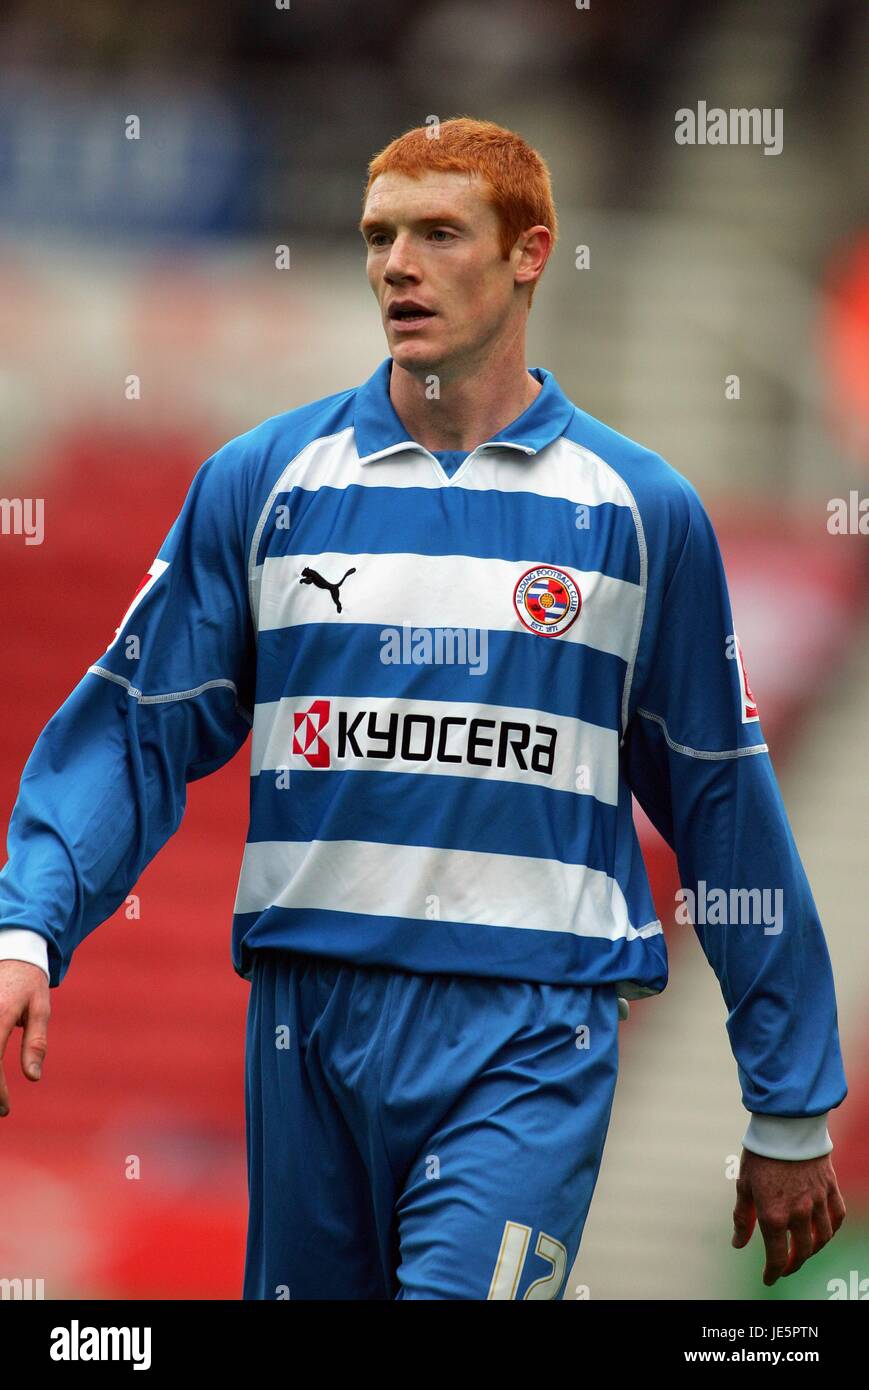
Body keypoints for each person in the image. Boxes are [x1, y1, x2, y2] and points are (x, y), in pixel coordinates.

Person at [0, 117, 847, 1300]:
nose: (396, 263)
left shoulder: (636, 511)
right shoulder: (264, 483)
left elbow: (719, 797)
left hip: (527, 1032)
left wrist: (789, 1097)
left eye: (438, 232)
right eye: (378, 235)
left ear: (527, 253)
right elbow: (136, 728)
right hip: (306, 1026)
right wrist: (29, 927)